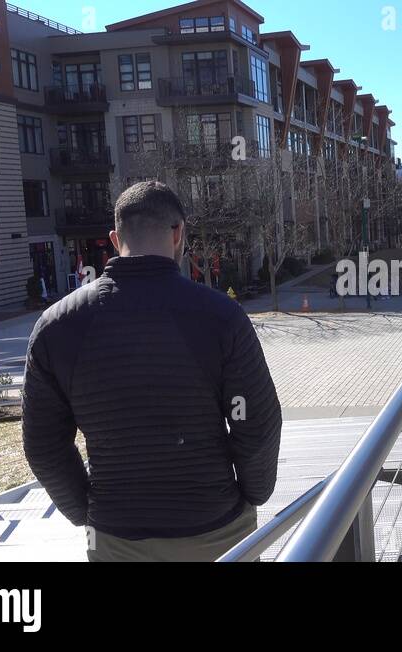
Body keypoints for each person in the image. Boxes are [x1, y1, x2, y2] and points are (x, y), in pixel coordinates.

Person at [22, 181, 282, 562]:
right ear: (178, 233)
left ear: (115, 238)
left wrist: (85, 509)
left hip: (115, 537)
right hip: (215, 529)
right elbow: (257, 424)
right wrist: (253, 492)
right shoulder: (222, 317)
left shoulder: (56, 326)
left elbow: (43, 446)